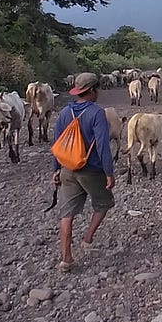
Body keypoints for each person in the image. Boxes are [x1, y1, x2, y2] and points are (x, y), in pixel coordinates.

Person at [50, 72, 115, 271]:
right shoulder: (96, 113)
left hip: (67, 168)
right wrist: (109, 172)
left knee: (66, 214)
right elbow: (103, 145)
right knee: (104, 203)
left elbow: (58, 143)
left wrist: (56, 169)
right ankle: (87, 238)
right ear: (93, 91)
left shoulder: (64, 112)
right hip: (91, 169)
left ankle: (66, 258)